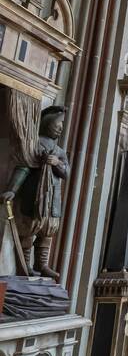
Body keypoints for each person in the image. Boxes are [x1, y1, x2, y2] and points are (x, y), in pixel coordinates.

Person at [1, 105, 69, 280]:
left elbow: (66, 172)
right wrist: (12, 190)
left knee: (47, 231)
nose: (61, 127)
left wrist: (56, 163)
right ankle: (25, 264)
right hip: (34, 195)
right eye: (59, 123)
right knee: (30, 228)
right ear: (48, 123)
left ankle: (42, 264)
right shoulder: (34, 145)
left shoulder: (59, 151)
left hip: (52, 197)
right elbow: (23, 168)